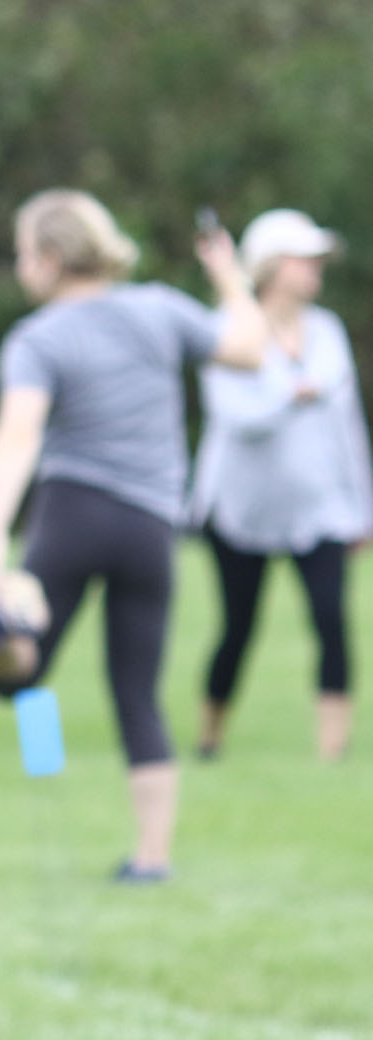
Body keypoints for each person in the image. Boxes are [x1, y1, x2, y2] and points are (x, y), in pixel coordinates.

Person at [0, 189, 265, 884]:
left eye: (23, 254)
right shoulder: (161, 310)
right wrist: (228, 276)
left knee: (17, 672)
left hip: (72, 512)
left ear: (48, 258)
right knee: (137, 689)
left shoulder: (39, 337)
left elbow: (18, 438)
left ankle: (18, 631)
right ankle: (152, 858)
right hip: (151, 525)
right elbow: (251, 349)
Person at [189, 208, 372, 762]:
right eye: (303, 258)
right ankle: (209, 740)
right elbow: (233, 413)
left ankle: (331, 754)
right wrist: (292, 396)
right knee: (238, 628)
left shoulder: (328, 330)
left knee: (330, 621)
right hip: (241, 512)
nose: (315, 268)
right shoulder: (224, 328)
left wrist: (362, 506)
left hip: (319, 509)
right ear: (269, 267)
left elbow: (348, 428)